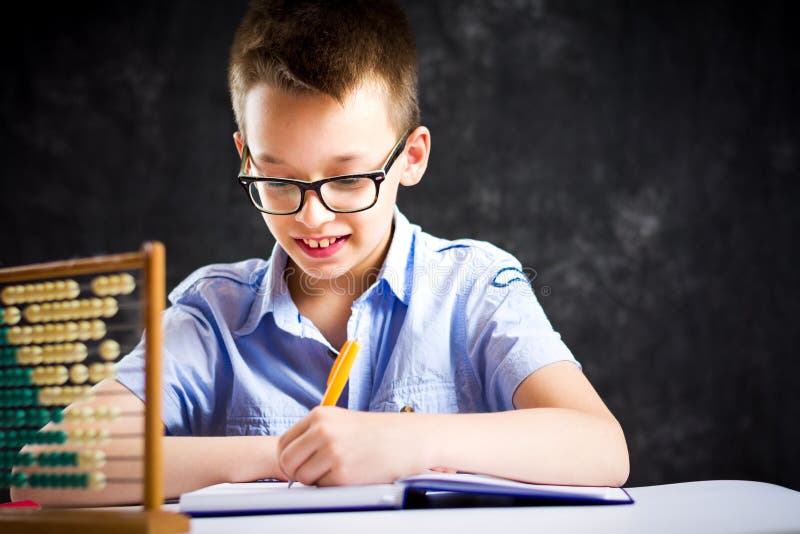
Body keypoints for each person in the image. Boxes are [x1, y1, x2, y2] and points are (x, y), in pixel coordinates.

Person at [13, 0, 628, 505]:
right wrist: (282, 456)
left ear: (410, 157)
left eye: (350, 179)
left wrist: (404, 445)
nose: (312, 216)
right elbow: (45, 469)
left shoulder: (474, 285)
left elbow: (602, 447)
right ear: (245, 158)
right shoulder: (213, 316)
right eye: (278, 180)